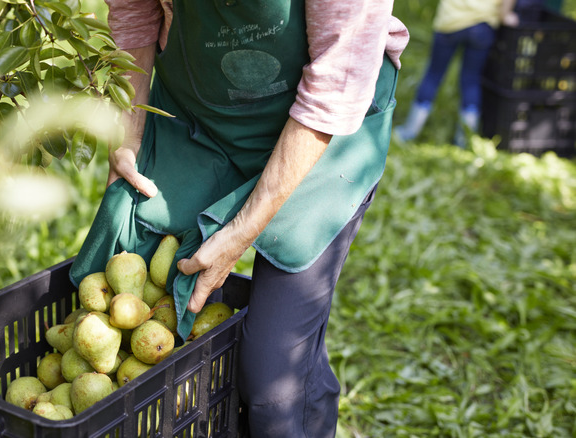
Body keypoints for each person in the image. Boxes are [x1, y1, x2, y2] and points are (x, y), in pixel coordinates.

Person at [69, 1, 408, 436]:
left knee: (274, 381)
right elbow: (135, 14)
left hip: (325, 136)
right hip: (201, 118)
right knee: (142, 297)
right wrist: (129, 135)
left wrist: (242, 231)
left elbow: (333, 91)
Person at [394, 0, 519, 147]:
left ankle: (409, 132)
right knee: (471, 80)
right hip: (482, 25)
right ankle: (464, 140)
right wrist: (505, 15)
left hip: (450, 21)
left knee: (433, 75)